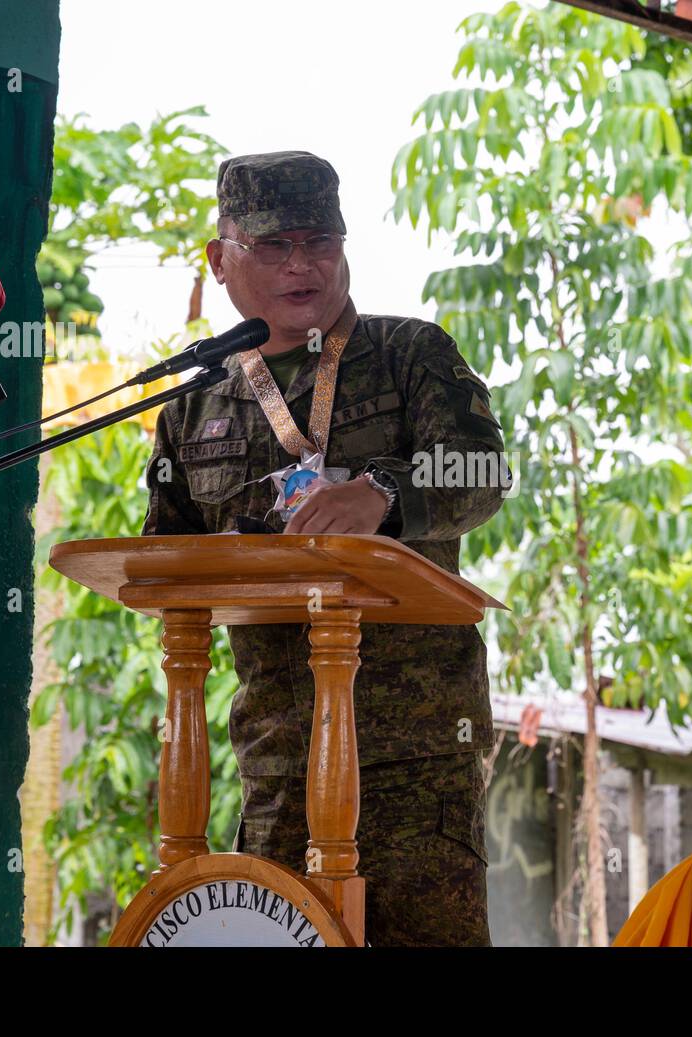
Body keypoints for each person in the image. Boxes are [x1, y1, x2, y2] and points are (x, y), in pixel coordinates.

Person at [141, 150, 509, 946]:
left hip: (411, 761)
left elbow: (483, 474)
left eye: (321, 241)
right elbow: (164, 561)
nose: (302, 264)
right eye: (274, 246)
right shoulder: (194, 402)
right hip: (275, 759)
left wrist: (383, 493)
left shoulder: (410, 354)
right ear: (221, 258)